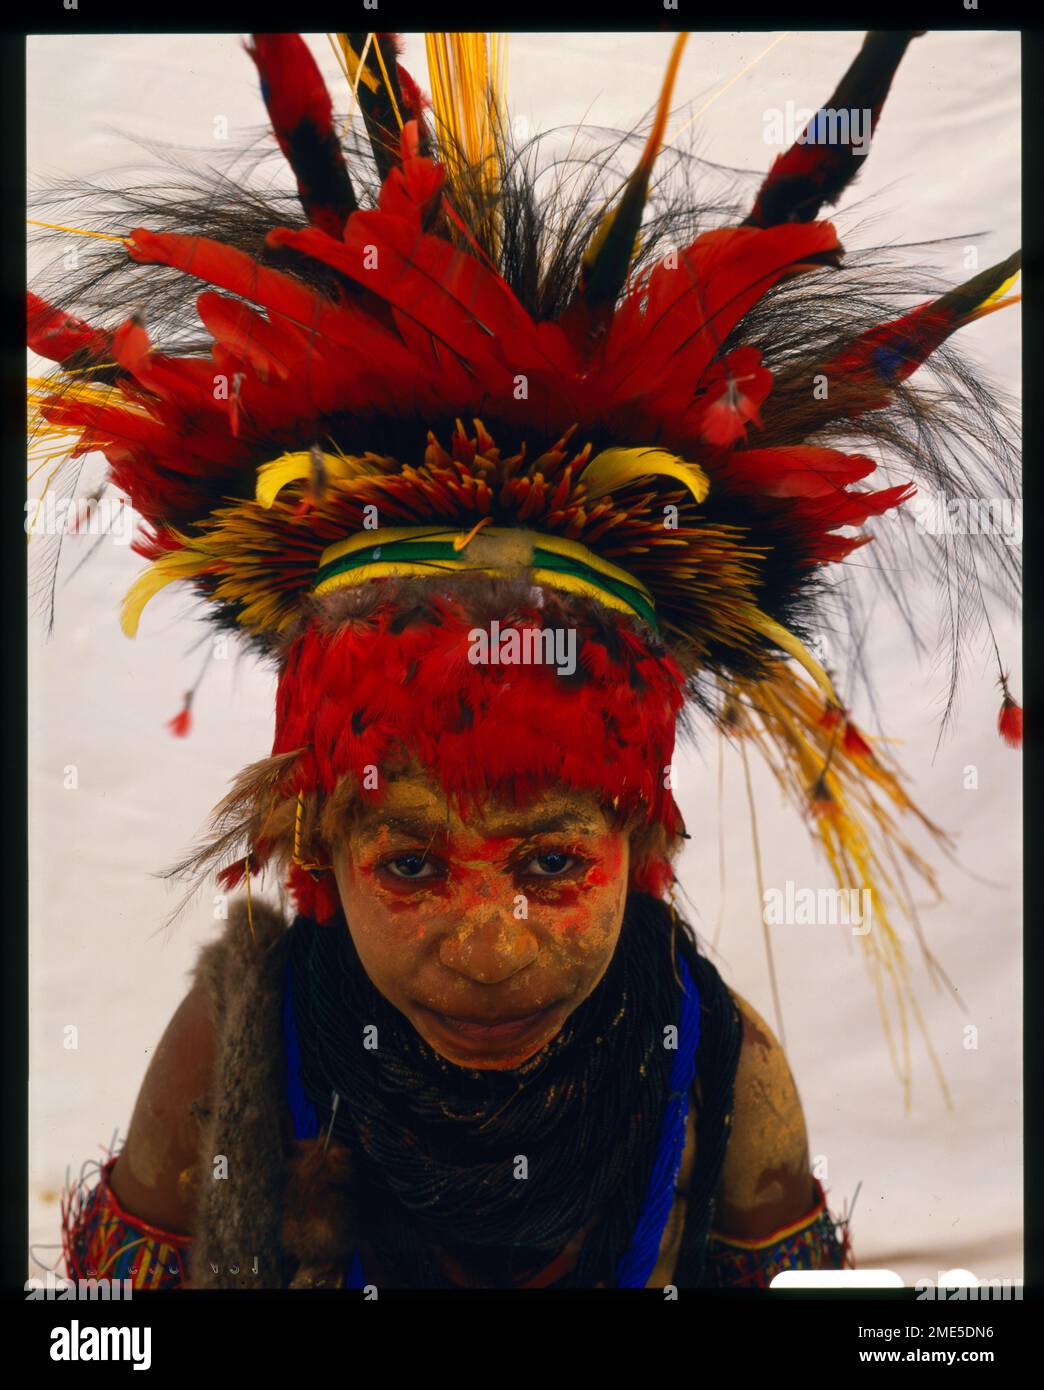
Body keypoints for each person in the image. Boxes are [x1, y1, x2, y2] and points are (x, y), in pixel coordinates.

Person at [31, 29, 1019, 1290]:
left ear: (646, 842)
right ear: (315, 845)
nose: (490, 947)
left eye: (552, 861)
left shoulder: (711, 1061)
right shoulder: (249, 1042)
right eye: (409, 860)